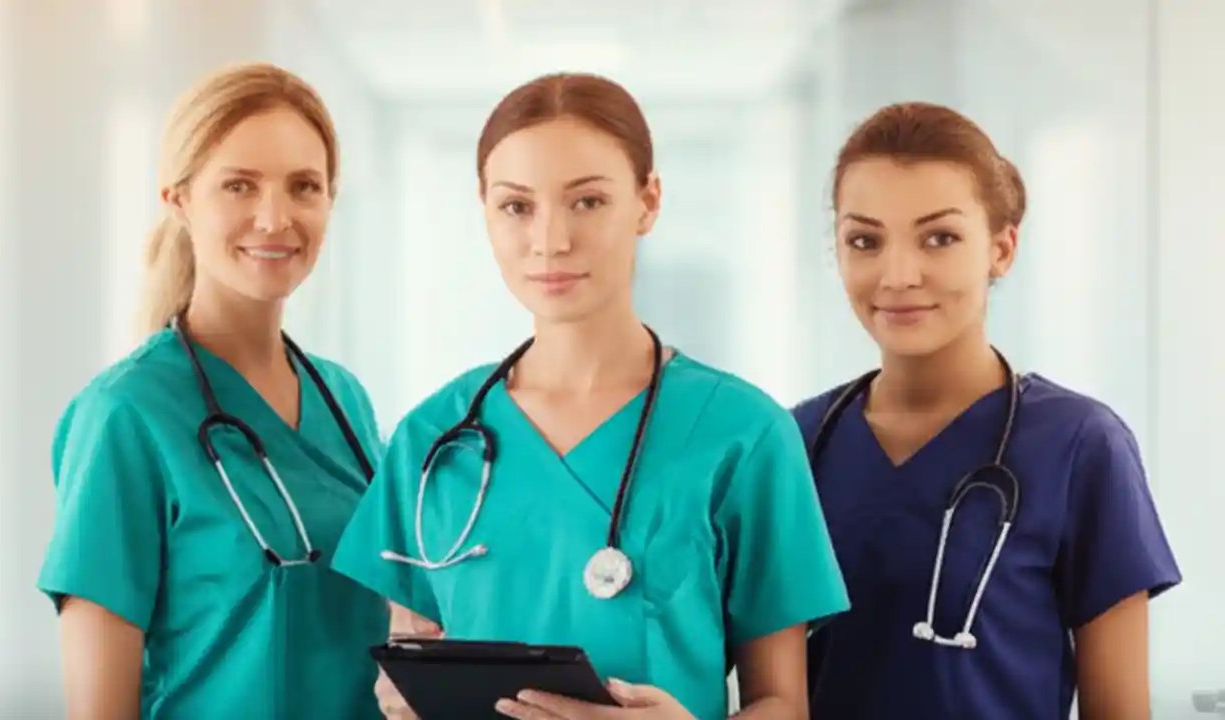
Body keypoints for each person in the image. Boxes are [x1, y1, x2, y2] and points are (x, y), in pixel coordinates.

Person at [331, 72, 849, 720]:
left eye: (588, 201)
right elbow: (412, 654)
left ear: (648, 201)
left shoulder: (743, 435)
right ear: (485, 210)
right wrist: (400, 697)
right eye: (517, 206)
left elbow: (782, 702)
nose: (551, 240)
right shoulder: (432, 437)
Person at [791, 101, 1182, 719]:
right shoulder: (796, 443)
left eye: (939, 238)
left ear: (1002, 249)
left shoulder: (1080, 445)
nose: (897, 275)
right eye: (865, 240)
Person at [36, 63, 388, 719]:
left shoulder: (347, 402)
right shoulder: (125, 416)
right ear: (179, 199)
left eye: (304, 187)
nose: (275, 217)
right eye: (239, 186)